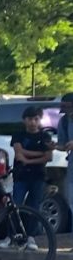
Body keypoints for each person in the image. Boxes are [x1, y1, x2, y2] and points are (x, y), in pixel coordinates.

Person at [1, 106, 53, 249]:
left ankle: (31, 237)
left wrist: (28, 158)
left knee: (34, 206)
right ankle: (10, 236)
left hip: (38, 176)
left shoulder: (45, 136)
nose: (33, 122)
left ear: (40, 120)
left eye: (36, 119)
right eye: (30, 119)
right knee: (15, 205)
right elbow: (19, 153)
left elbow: (49, 157)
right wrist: (41, 153)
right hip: (21, 175)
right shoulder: (18, 134)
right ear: (24, 120)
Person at [57, 93, 73, 224]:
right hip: (71, 167)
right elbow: (63, 145)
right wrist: (55, 146)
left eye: (68, 107)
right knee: (71, 201)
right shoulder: (64, 121)